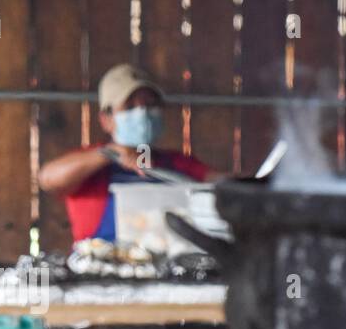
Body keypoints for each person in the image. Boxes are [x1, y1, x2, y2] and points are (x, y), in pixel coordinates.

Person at [38, 64, 217, 242]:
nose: (142, 113)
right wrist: (112, 153)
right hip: (102, 265)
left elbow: (221, 183)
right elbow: (48, 179)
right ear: (106, 120)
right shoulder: (91, 165)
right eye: (129, 106)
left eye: (150, 104)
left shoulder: (177, 164)